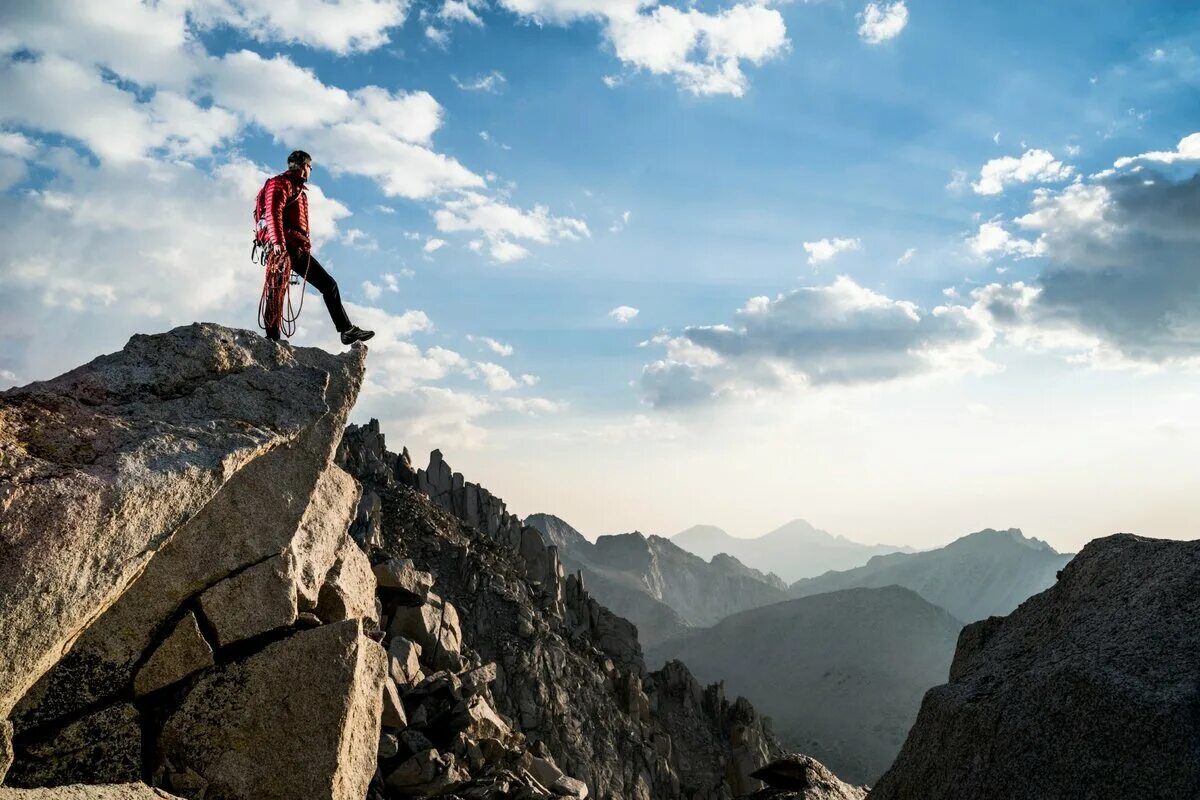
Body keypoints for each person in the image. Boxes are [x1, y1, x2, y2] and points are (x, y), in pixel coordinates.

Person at [260, 150, 374, 344]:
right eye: (310, 168)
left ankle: (273, 338)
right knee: (323, 285)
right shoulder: (282, 183)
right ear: (306, 167)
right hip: (285, 247)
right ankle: (344, 330)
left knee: (278, 289)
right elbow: (273, 211)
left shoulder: (293, 187)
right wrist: (278, 242)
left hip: (291, 246)